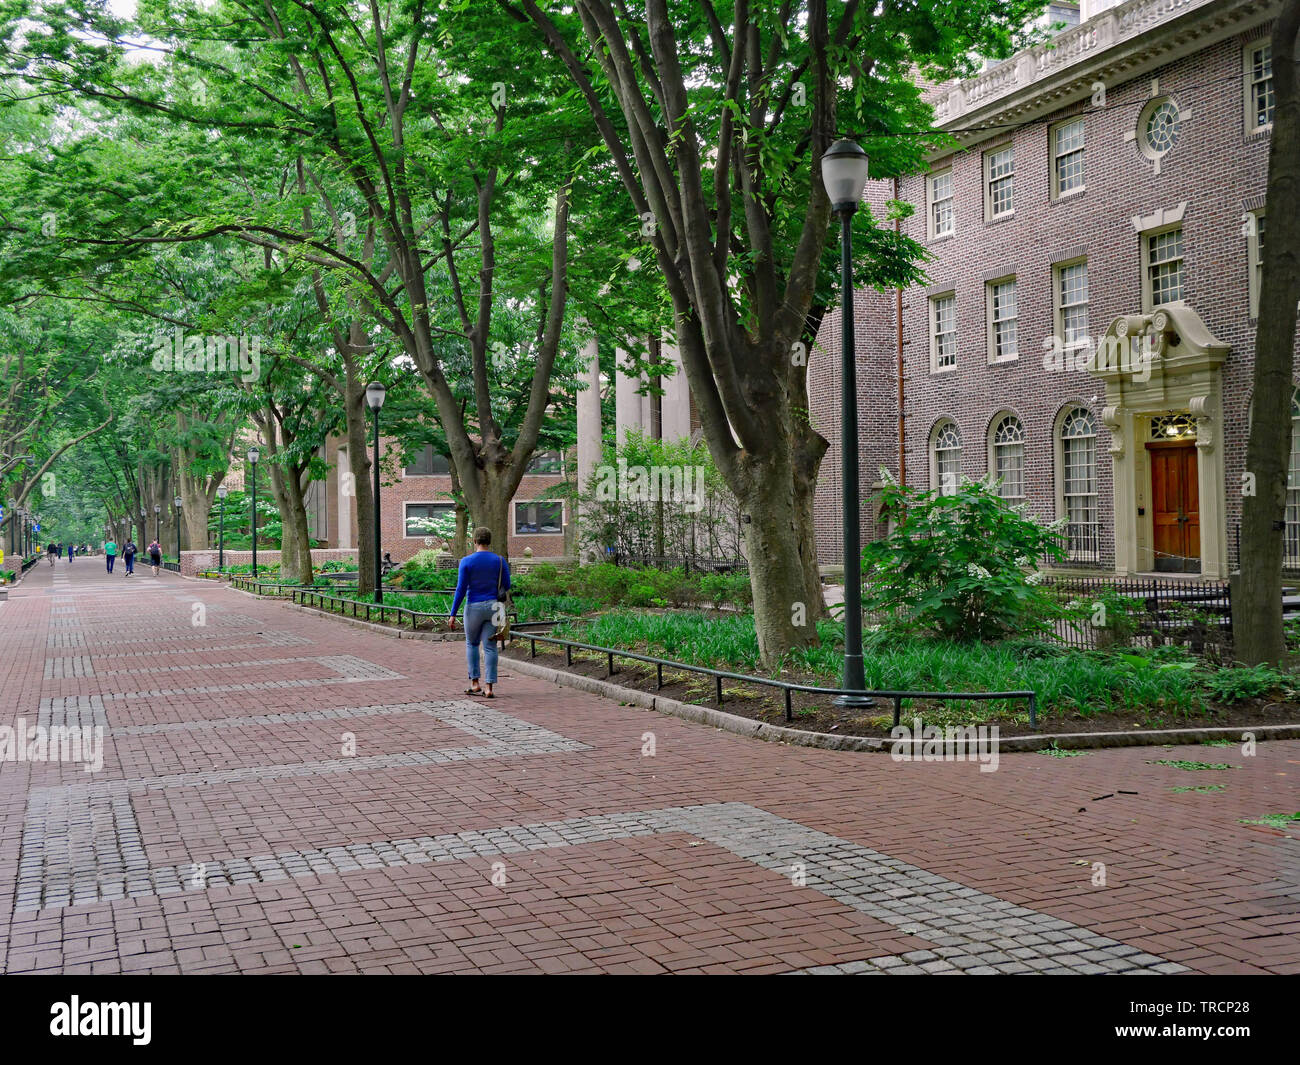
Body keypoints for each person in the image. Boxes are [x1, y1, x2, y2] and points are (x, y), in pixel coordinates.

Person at [446, 527, 510, 698]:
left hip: (473, 606)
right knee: (490, 647)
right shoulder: (499, 560)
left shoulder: (466, 561)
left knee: (472, 644)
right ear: (489, 541)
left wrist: (453, 614)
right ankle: (489, 687)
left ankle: (475, 683)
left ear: (474, 541)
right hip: (493, 607)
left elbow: (460, 589)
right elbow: (507, 584)